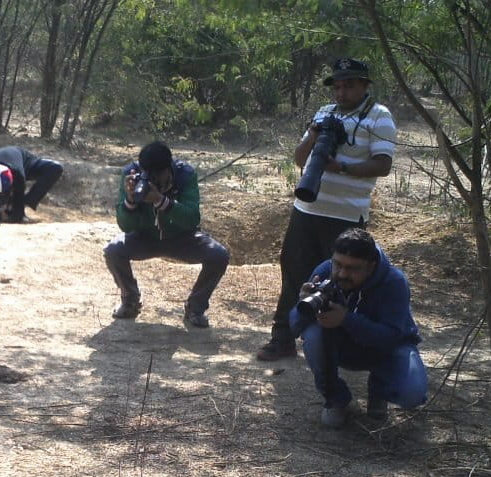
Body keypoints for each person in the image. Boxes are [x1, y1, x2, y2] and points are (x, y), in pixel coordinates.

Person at [257, 58, 396, 360]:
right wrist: (312, 136)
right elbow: (299, 159)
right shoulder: (324, 112)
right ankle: (282, 339)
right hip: (306, 209)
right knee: (293, 274)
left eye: (349, 86)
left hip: (346, 215)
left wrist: (342, 167)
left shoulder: (380, 116)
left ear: (364, 85)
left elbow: (383, 164)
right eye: (338, 87)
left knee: (342, 280)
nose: (341, 93)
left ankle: (335, 344)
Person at [289, 228, 427, 428]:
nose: (342, 274)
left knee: (411, 394)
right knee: (313, 334)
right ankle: (336, 399)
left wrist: (346, 319)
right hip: (343, 346)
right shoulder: (324, 271)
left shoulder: (394, 282)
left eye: (353, 268)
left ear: (371, 266)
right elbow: (294, 327)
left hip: (387, 349)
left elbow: (391, 337)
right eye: (338, 264)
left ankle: (379, 390)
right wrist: (303, 306)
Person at [103, 140, 229, 328]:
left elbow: (192, 218)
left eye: (158, 174)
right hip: (144, 237)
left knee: (218, 255)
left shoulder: (185, 175)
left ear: (168, 168)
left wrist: (162, 201)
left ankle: (195, 308)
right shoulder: (131, 175)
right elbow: (125, 226)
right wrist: (130, 201)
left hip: (182, 238)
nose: (153, 179)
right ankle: (130, 301)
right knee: (113, 250)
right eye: (149, 174)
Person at [0, 146, 63, 223]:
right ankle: (2, 202)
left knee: (55, 168)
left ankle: (27, 202)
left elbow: (18, 215)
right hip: (0, 167)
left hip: (23, 161)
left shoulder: (18, 175)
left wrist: (10, 216)